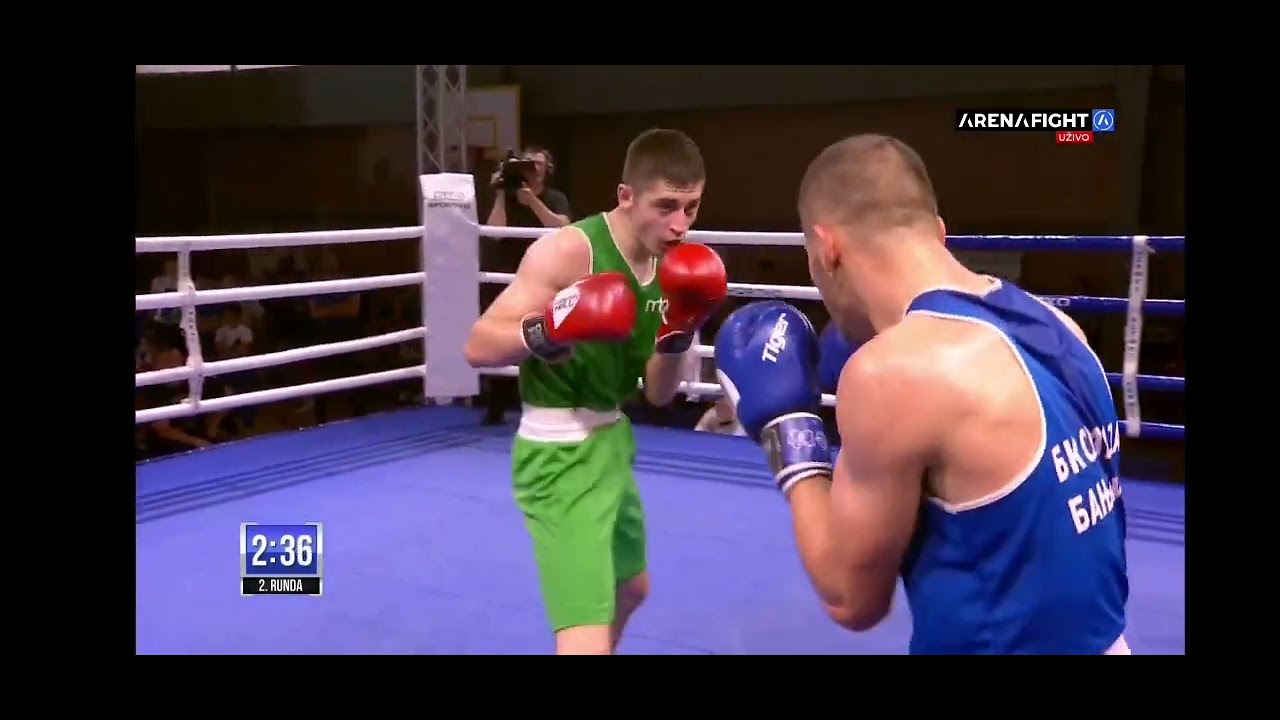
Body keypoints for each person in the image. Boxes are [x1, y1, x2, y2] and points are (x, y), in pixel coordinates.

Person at [714, 133, 1129, 655]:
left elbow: (851, 599)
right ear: (937, 232)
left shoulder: (896, 372)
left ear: (827, 247)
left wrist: (789, 433)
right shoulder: (1061, 326)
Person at [465, 128, 727, 655]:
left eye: (692, 208)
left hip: (612, 440)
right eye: (666, 206)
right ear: (625, 197)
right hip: (558, 455)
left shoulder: (671, 268)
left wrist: (678, 332)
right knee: (582, 631)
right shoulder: (570, 251)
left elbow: (657, 395)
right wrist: (547, 331)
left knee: (632, 587)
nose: (680, 225)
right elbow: (477, 345)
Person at [481, 145, 575, 426]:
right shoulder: (507, 198)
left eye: (538, 163)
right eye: (527, 163)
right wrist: (500, 192)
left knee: (546, 341)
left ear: (548, 169)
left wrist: (532, 201)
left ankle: (550, 406)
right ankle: (496, 406)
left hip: (546, 278)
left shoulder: (555, 198)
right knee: (506, 341)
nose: (532, 168)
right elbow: (494, 233)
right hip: (509, 278)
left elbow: (563, 228)